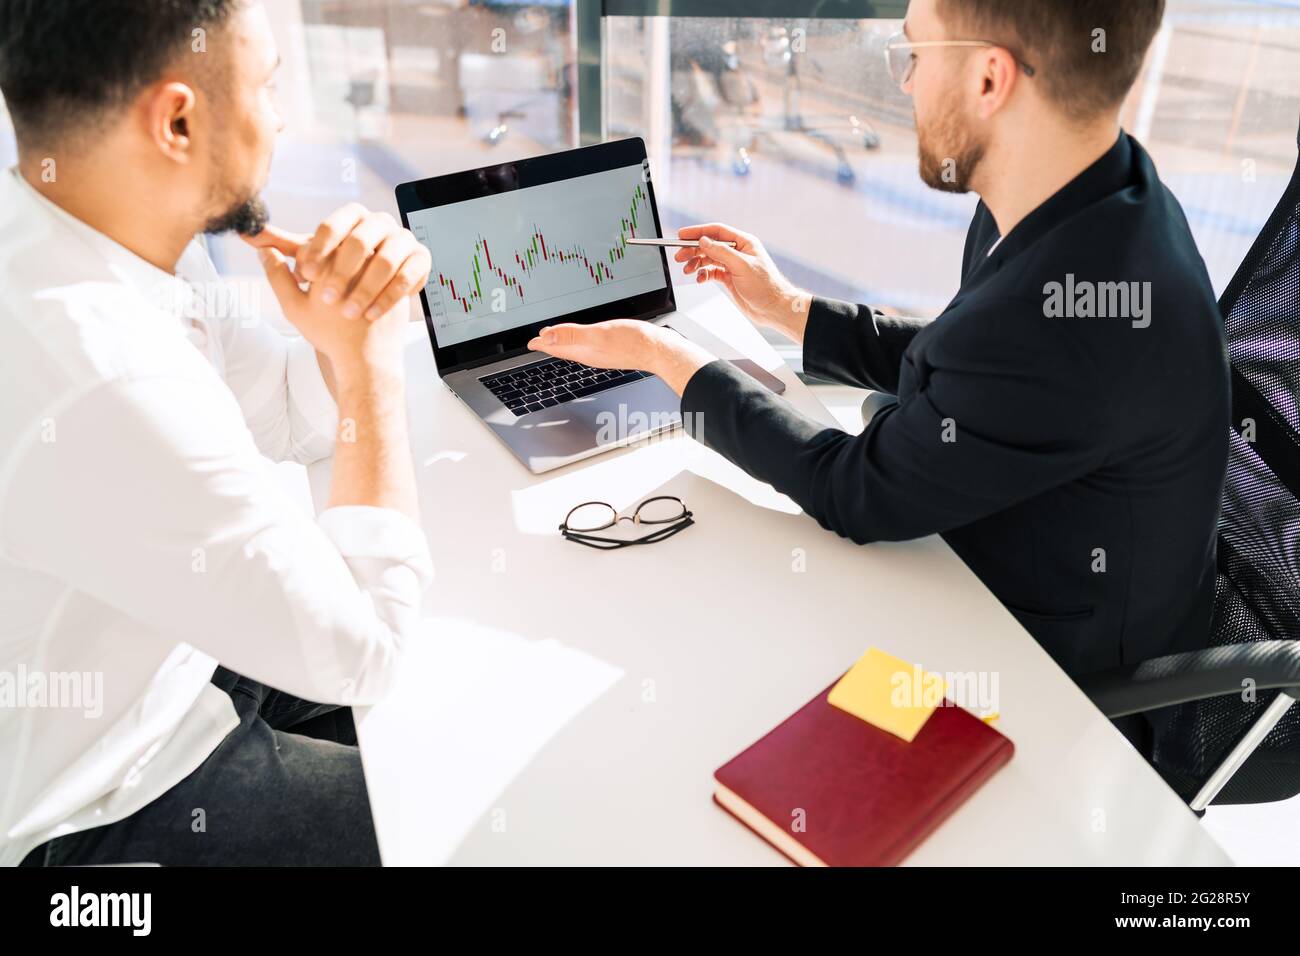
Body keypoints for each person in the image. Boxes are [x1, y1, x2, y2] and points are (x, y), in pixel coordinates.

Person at [528, 0, 1230, 756]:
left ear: (991, 78)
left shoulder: (1063, 320)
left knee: (705, 682)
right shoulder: (1101, 191)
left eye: (915, 55)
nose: (906, 83)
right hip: (1008, 548)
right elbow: (968, 365)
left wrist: (667, 357)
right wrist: (789, 308)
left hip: (1045, 681)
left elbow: (852, 490)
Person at [0, 0, 434, 865]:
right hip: (96, 805)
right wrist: (372, 363)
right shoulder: (106, 371)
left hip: (169, 664)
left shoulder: (103, 231)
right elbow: (368, 649)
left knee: (454, 705)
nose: (280, 117)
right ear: (178, 120)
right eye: (269, 87)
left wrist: (343, 324)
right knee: (460, 811)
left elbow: (275, 410)